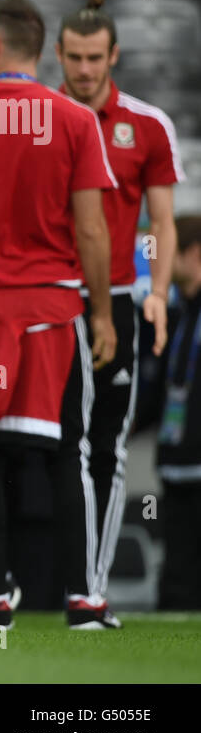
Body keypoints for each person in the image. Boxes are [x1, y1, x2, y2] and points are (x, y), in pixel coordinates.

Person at [0, 0, 120, 630]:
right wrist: (101, 314)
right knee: (67, 454)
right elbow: (92, 230)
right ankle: (83, 600)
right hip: (48, 313)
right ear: (44, 52)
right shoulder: (75, 121)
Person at [54, 0, 183, 600]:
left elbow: (159, 225)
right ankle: (34, 581)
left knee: (105, 443)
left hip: (118, 298)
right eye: (74, 58)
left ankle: (91, 586)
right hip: (49, 299)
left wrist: (157, 289)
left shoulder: (148, 126)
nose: (84, 70)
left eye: (94, 58)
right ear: (58, 55)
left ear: (114, 56)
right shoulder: (38, 122)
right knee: (44, 444)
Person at [154, 215, 201, 608]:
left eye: (168, 254)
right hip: (176, 461)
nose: (159, 265)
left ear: (193, 254)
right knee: (177, 572)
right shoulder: (176, 313)